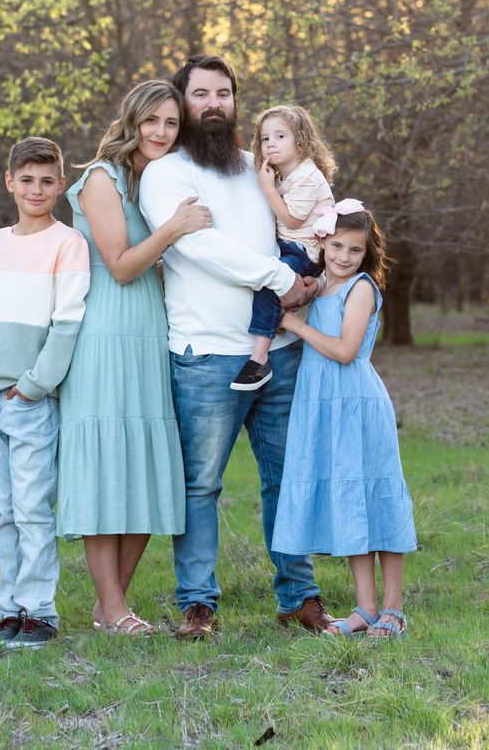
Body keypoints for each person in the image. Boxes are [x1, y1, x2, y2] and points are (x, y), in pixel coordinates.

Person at [137, 53, 334, 639]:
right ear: (182, 103)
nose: (214, 104)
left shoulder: (259, 165)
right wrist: (279, 278)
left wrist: (317, 277)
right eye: (201, 95)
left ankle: (298, 597)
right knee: (201, 483)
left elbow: (310, 223)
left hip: (281, 349)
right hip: (206, 352)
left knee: (287, 475)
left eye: (223, 93)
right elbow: (202, 248)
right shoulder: (167, 173)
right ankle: (198, 604)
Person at [56, 79, 211, 635]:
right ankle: (115, 608)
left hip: (150, 330)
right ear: (132, 121)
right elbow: (120, 265)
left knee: (148, 465)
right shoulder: (102, 178)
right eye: (152, 122)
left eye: (171, 124)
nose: (161, 133)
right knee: (105, 467)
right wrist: (172, 229)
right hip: (104, 332)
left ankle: (110, 604)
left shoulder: (161, 179)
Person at [0, 136, 89, 648]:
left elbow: (67, 320)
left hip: (27, 399)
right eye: (26, 180)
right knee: (4, 511)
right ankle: (10, 609)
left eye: (47, 181)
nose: (36, 190)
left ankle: (41, 613)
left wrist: (34, 386)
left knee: (33, 507)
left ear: (60, 185)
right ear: (9, 182)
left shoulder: (67, 243)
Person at [273, 202, 417, 639]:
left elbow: (345, 350)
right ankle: (365, 608)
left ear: (365, 253)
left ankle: (393, 609)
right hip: (323, 407)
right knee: (352, 502)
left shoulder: (361, 288)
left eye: (355, 250)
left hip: (356, 404)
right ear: (323, 242)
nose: (344, 257)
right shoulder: (319, 288)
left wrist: (293, 325)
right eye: (337, 246)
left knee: (377, 499)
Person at [231, 105, 336, 391]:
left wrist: (267, 187)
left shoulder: (308, 176)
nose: (271, 144)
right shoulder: (282, 175)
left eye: (280, 136)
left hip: (304, 253)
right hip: (286, 247)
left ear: (300, 140)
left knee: (270, 278)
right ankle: (272, 321)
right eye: (265, 139)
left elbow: (291, 218)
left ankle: (259, 357)